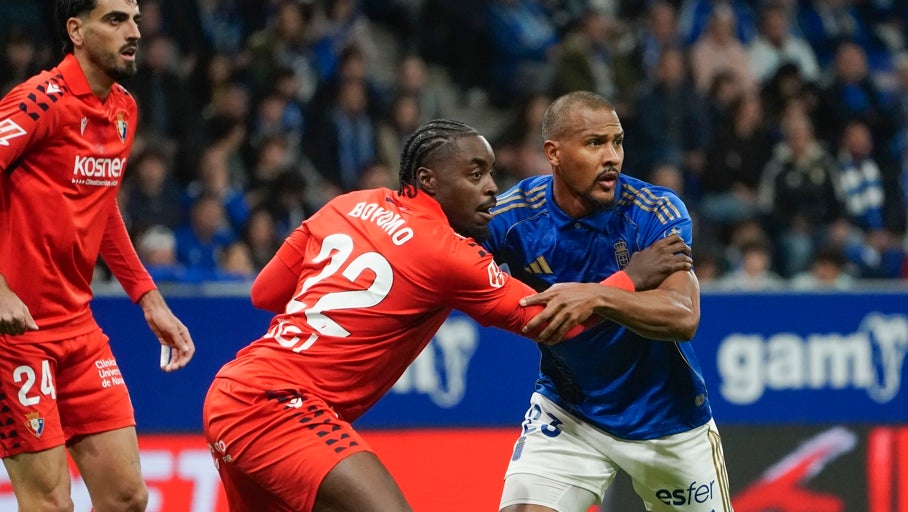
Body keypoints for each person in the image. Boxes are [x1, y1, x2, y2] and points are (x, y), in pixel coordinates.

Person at [202, 119, 692, 512]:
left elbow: (265, 292)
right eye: (475, 174)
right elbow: (557, 325)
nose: (492, 190)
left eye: (492, 175)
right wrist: (629, 279)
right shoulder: (451, 255)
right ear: (428, 180)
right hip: (281, 406)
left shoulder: (347, 204)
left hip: (232, 392)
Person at [484, 91, 733, 512]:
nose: (613, 156)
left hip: (668, 422)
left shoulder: (654, 211)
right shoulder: (512, 219)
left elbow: (683, 315)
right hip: (570, 413)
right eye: (595, 143)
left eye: (617, 141)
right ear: (554, 153)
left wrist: (597, 294)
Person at [0, 1, 196, 511]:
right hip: (17, 338)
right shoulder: (40, 101)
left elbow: (101, 203)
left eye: (134, 19)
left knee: (128, 497)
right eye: (115, 20)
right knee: (50, 503)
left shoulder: (124, 109)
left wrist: (148, 297)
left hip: (79, 330)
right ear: (76, 31)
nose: (133, 32)